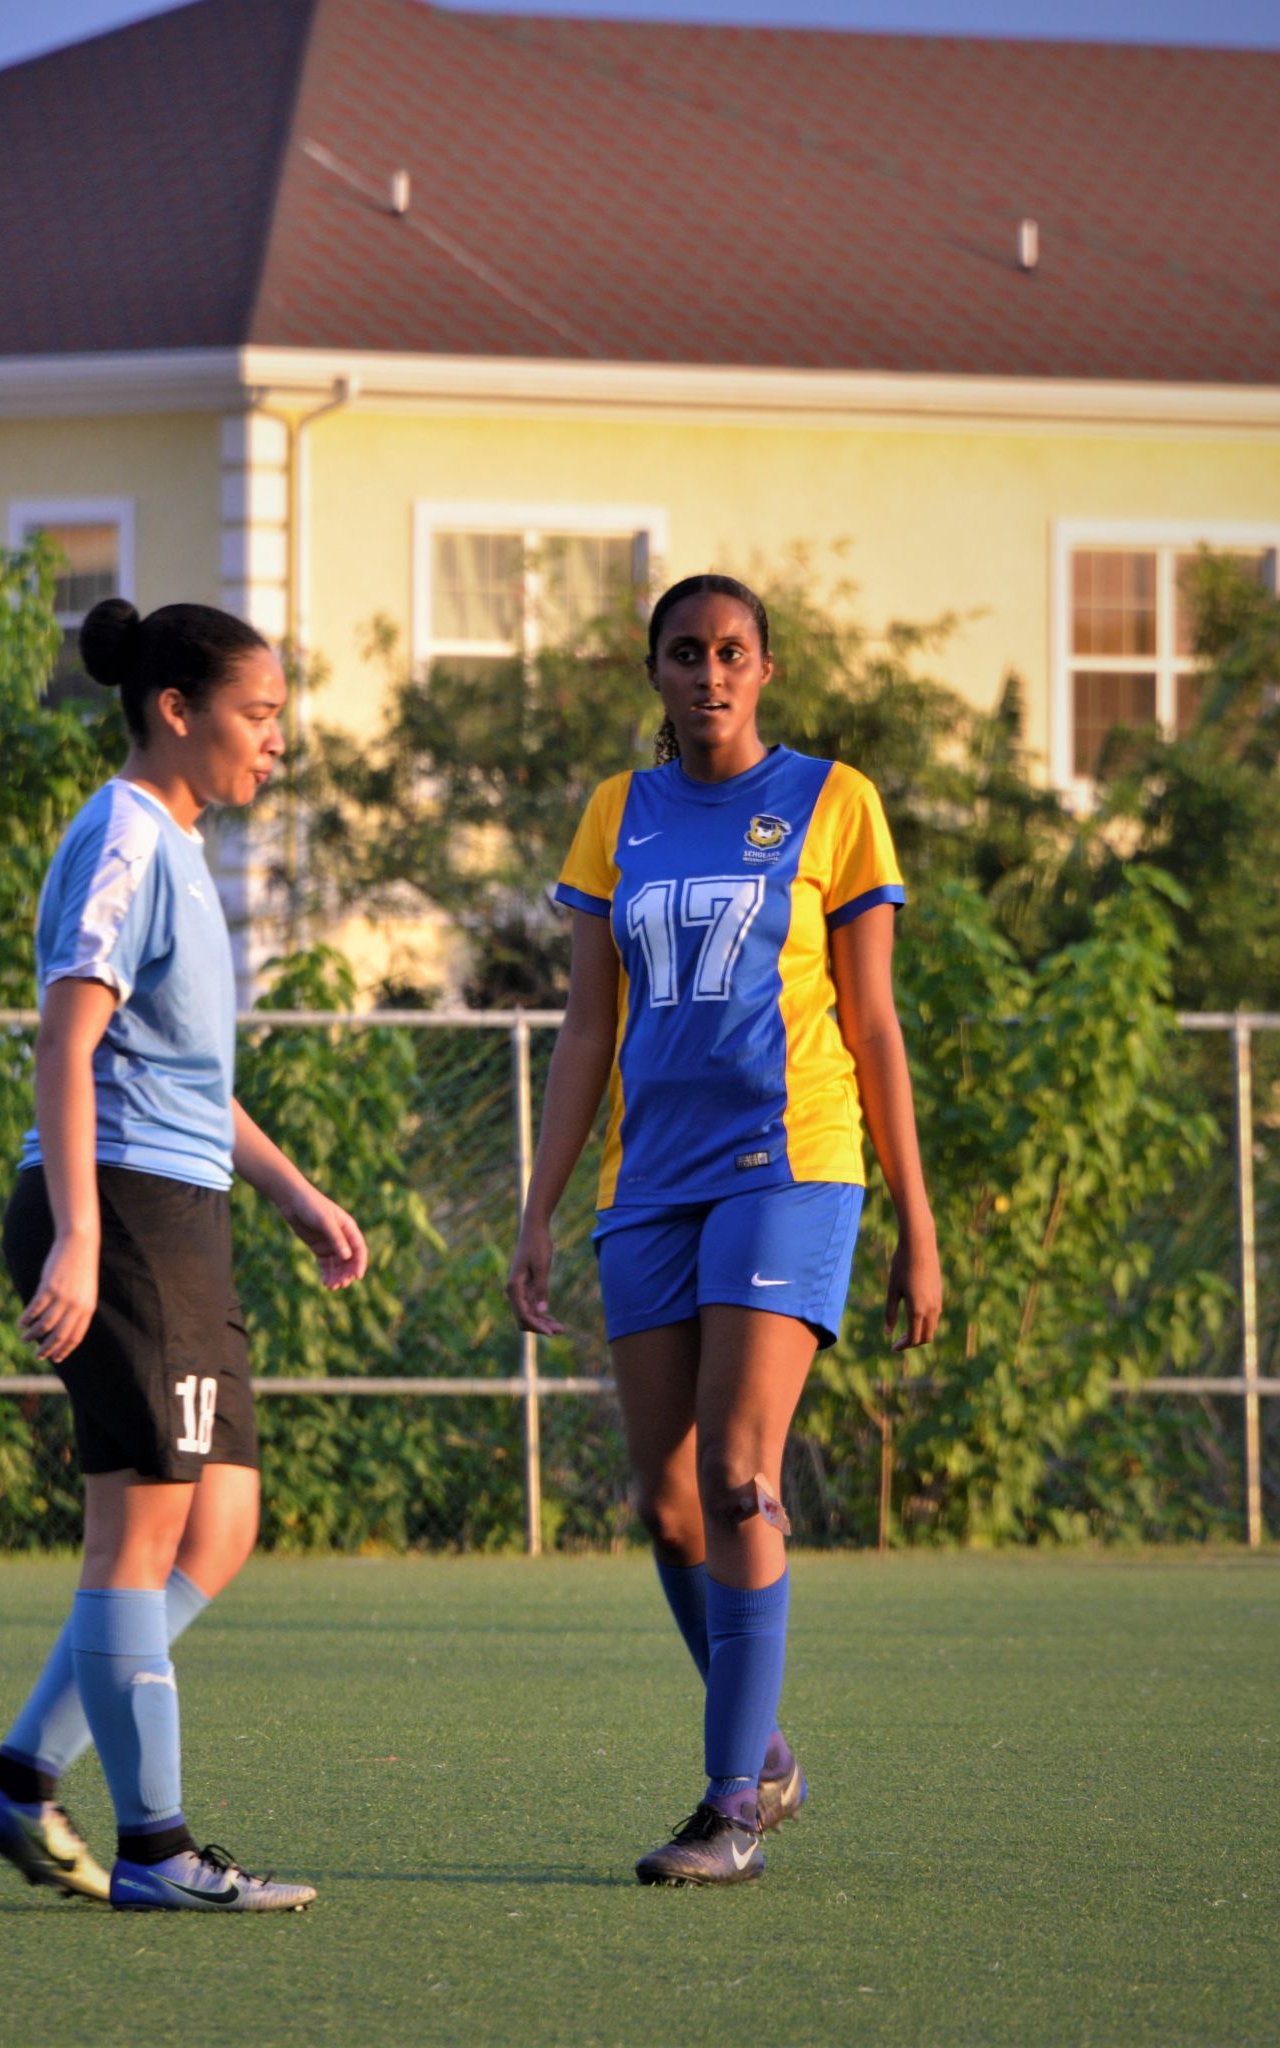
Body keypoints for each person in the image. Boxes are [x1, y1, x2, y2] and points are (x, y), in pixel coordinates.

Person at [506, 573, 941, 1888]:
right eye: (685, 654)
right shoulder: (613, 816)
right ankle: (767, 1750)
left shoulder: (833, 802)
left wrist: (918, 1225)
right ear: (655, 674)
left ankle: (727, 1807)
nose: (709, 674)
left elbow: (871, 1024)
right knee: (670, 1502)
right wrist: (535, 1210)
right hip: (651, 1184)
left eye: (732, 653)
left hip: (791, 1164)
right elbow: (588, 1028)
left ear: (766, 670)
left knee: (746, 1472)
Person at [0, 598, 368, 1914]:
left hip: (179, 1215)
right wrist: (77, 1233)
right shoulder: (125, 839)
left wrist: (295, 1191)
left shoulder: (178, 845)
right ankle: (157, 1850)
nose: (277, 744)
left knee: (221, 1524)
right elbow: (65, 1046)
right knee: (135, 1536)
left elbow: (181, 1075)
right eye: (259, 716)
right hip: (123, 1214)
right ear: (176, 712)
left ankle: (22, 1776)